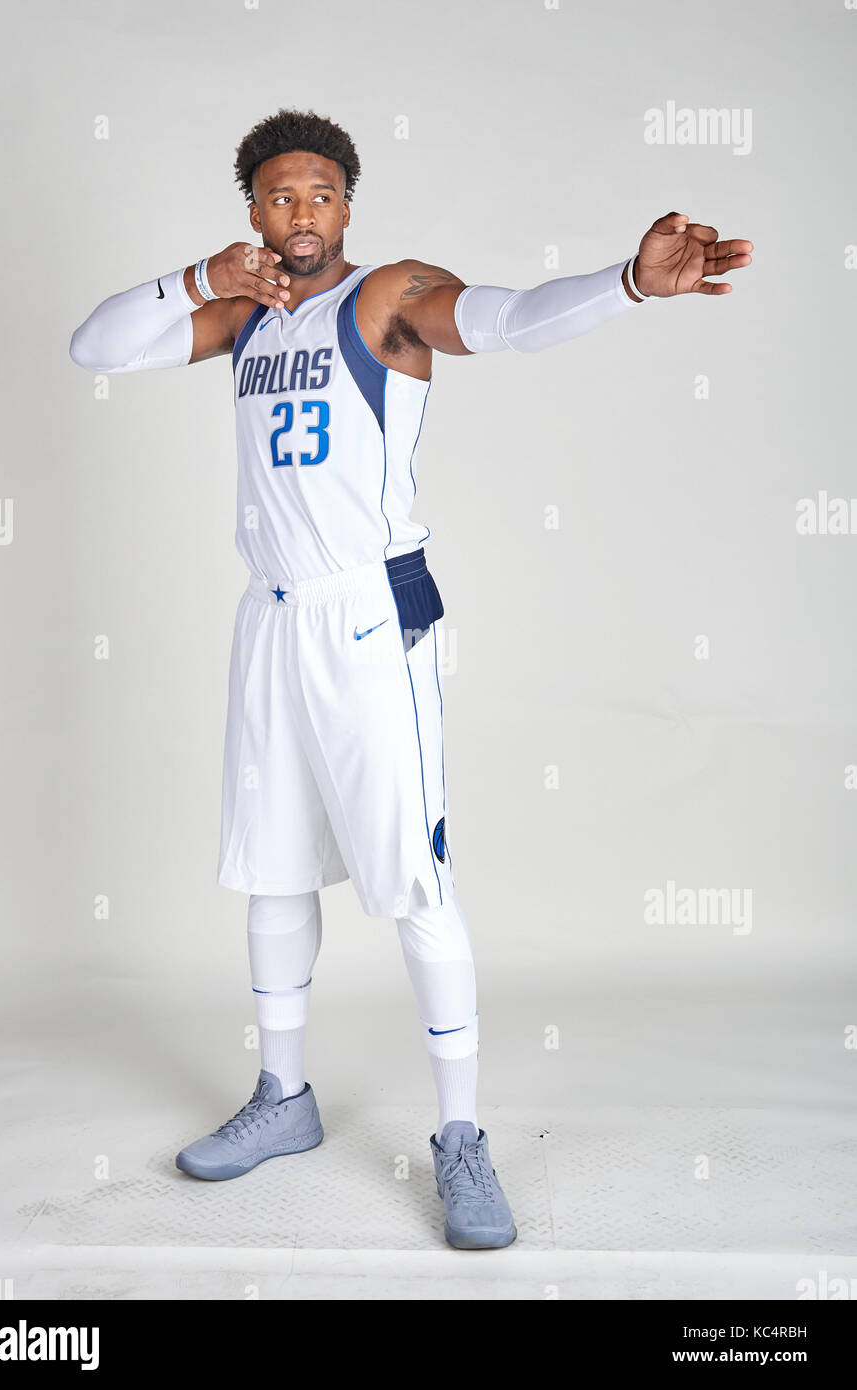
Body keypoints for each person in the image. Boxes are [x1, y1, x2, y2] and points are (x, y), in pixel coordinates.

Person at [69, 106, 753, 1251]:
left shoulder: (382, 298)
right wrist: (199, 275)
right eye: (280, 195)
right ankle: (284, 1099)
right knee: (273, 871)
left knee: (416, 880)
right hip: (271, 620)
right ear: (253, 212)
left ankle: (461, 1137)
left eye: (322, 193)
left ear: (348, 206)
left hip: (369, 615)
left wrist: (626, 283)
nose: (302, 213)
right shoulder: (240, 313)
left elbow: (508, 319)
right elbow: (94, 347)